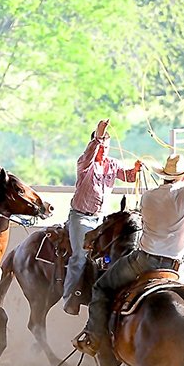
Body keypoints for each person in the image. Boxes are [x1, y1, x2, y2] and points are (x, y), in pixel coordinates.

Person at [73, 146, 184, 357]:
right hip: (175, 267)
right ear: (183, 176)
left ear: (164, 175)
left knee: (102, 287)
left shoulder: (148, 197)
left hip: (143, 261)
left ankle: (94, 337)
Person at [62, 119, 141, 315]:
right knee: (79, 256)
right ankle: (69, 296)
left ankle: (103, 291)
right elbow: (90, 154)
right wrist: (98, 136)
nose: (104, 149)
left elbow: (128, 177)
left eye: (106, 146)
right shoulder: (85, 164)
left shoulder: (112, 164)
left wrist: (136, 169)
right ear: (94, 146)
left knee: (106, 255)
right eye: (101, 145)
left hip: (100, 219)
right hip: (81, 217)